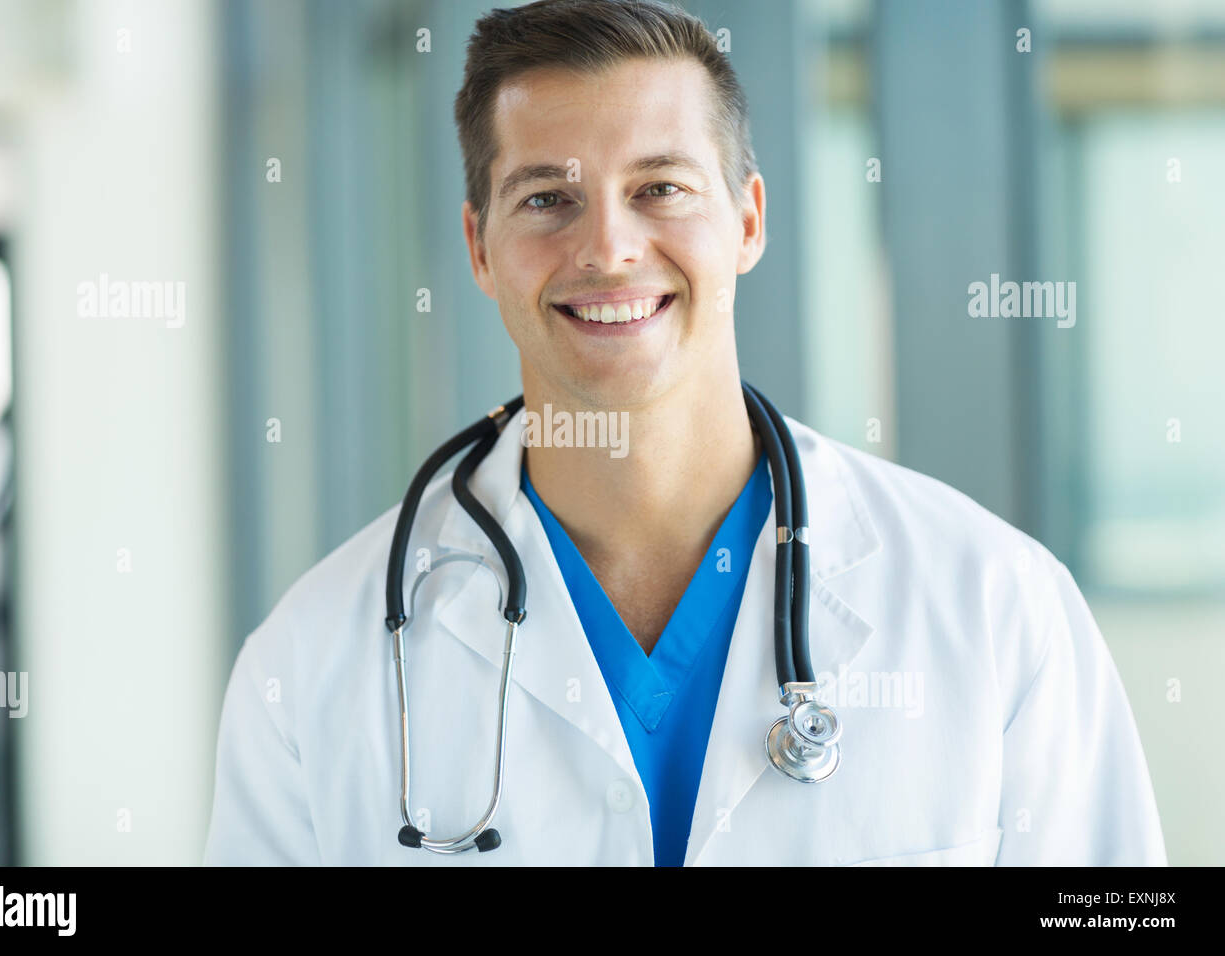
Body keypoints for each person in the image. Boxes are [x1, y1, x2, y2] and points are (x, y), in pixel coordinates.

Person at [203, 0, 1166, 866]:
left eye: (660, 188)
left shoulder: (995, 607)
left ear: (746, 221)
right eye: (547, 197)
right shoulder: (314, 662)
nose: (610, 247)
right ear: (477, 249)